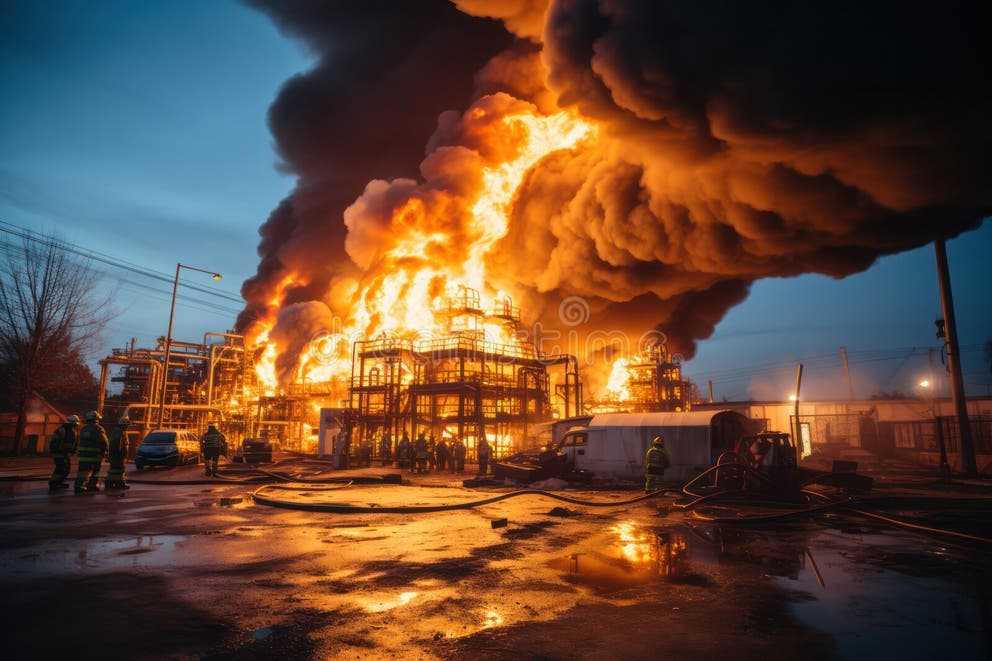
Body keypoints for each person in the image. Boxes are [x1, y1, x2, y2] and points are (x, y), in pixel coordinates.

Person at [74, 411, 109, 493]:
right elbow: (104, 442)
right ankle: (91, 485)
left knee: (82, 471)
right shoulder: (98, 428)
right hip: (95, 455)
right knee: (95, 471)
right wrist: (104, 452)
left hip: (83, 455)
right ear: (96, 419)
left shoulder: (83, 428)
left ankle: (79, 485)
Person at [48, 415, 80, 491]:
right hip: (58, 452)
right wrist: (59, 450)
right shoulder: (62, 430)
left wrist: (72, 451)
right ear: (72, 423)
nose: (76, 425)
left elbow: (74, 443)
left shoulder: (73, 431)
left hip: (65, 453)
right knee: (60, 468)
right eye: (75, 423)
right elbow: (54, 441)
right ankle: (53, 484)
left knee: (66, 468)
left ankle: (59, 482)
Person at [104, 417, 132, 490]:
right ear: (124, 425)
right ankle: (119, 484)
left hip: (116, 455)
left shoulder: (118, 431)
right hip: (118, 455)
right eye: (127, 425)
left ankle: (110, 483)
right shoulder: (119, 432)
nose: (128, 427)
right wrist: (119, 453)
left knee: (114, 470)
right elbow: (116, 444)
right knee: (119, 469)